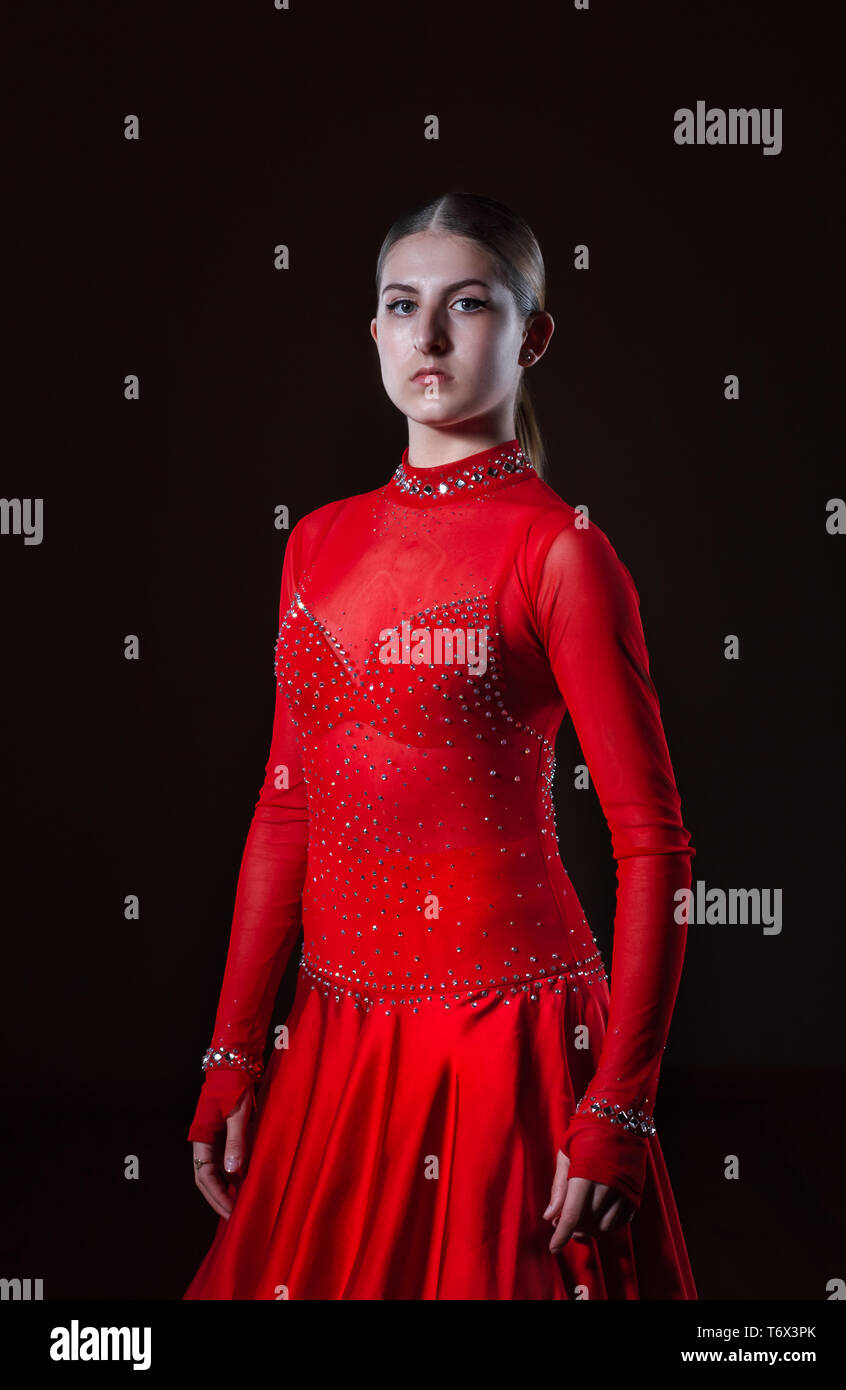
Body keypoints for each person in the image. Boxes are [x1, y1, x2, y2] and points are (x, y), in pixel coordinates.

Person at [184, 191, 698, 1300]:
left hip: (500, 1040)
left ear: (531, 334)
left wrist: (617, 1101)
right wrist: (232, 1050)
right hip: (332, 1037)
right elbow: (286, 809)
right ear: (371, 331)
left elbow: (653, 847)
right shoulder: (316, 542)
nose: (426, 337)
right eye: (399, 306)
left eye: (465, 306)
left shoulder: (561, 554)